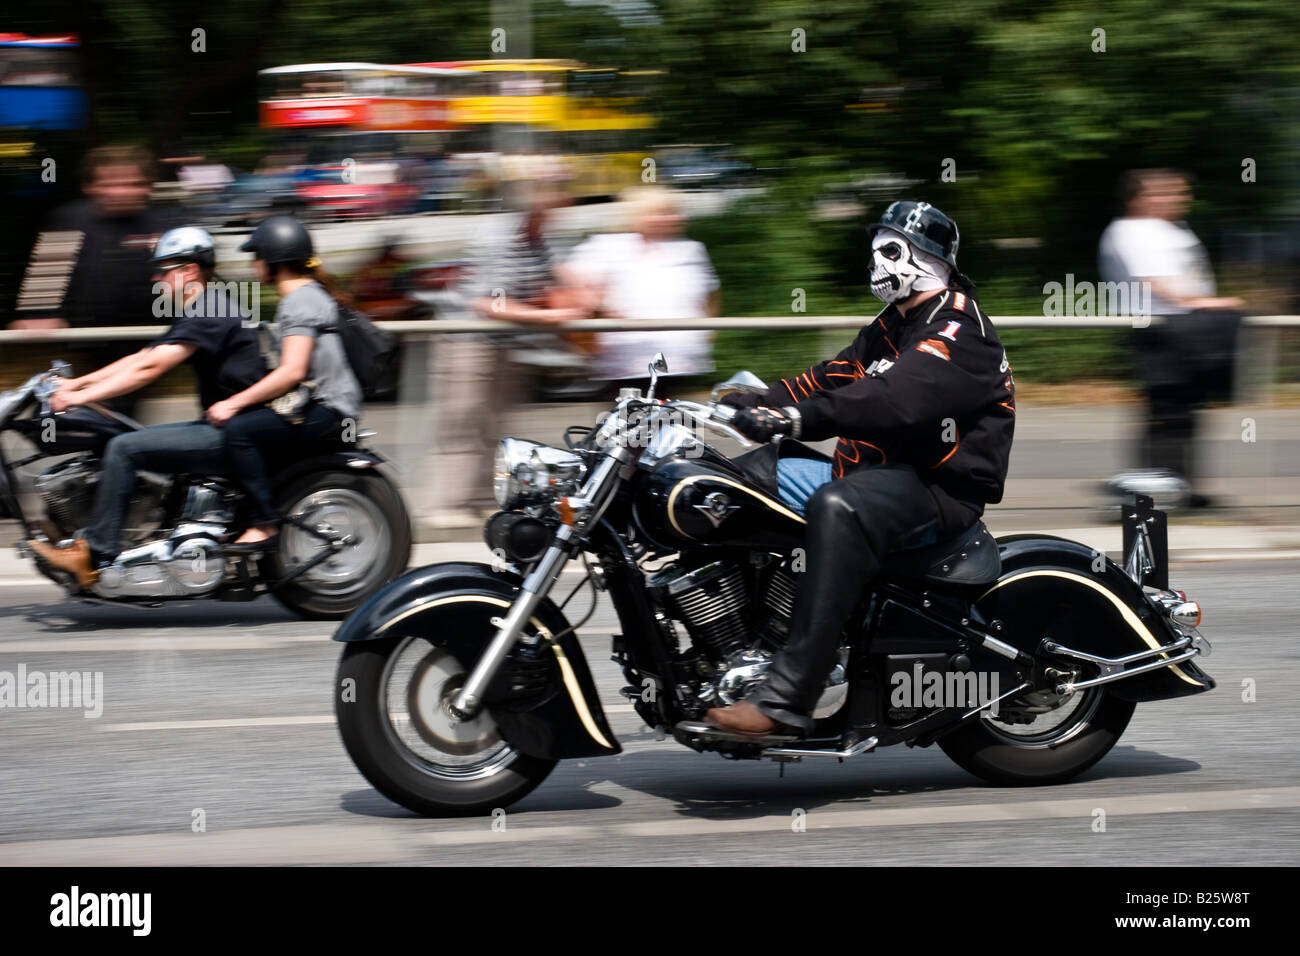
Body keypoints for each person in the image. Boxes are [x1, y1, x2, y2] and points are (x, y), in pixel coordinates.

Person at [703, 201, 1016, 737]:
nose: (878, 263)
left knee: (836, 506)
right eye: (875, 251)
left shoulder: (959, 326)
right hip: (873, 476)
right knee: (727, 483)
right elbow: (831, 376)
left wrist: (794, 420)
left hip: (936, 488)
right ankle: (740, 639)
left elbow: (894, 400)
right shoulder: (892, 325)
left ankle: (789, 696)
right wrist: (754, 399)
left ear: (928, 257)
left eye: (890, 251)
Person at [27, 226, 266, 587]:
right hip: (226, 427)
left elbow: (150, 370)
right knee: (125, 434)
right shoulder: (204, 306)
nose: (157, 278)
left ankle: (94, 553)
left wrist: (78, 399)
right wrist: (76, 383)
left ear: (189, 271)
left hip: (234, 432)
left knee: (123, 448)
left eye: (164, 269)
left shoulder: (211, 309)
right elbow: (143, 357)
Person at [428, 178, 587, 528]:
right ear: (533, 208)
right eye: (553, 208)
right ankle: (449, 505)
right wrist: (545, 316)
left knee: (495, 424)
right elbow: (488, 301)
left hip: (506, 343)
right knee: (464, 420)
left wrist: (580, 297)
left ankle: (485, 498)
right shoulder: (499, 237)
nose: (558, 215)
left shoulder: (539, 239)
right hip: (468, 340)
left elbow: (557, 280)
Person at [204, 215, 361, 551]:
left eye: (256, 257)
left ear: (273, 261)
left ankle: (264, 524)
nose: (253, 265)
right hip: (325, 403)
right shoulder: (309, 295)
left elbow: (292, 371)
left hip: (328, 408)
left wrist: (233, 403)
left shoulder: (300, 301)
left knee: (240, 431)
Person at [1097, 169, 1245, 507]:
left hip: (1186, 326)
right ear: (1141, 197)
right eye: (1167, 193)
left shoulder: (1168, 229)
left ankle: (1176, 487)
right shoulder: (1132, 230)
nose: (1179, 199)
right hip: (1162, 330)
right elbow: (1153, 280)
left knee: (1185, 413)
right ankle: (1150, 492)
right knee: (1166, 413)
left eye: (1180, 193)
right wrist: (1202, 302)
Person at [12, 145, 179, 416]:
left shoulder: (165, 223)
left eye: (134, 184)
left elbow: (192, 277)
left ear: (148, 187)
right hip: (88, 340)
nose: (122, 192)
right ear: (90, 187)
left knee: (123, 412)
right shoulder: (70, 219)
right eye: (111, 184)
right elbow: (47, 274)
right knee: (89, 412)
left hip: (145, 341)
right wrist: (39, 312)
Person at [560, 185, 720, 387]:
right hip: (627, 364)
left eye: (674, 212)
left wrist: (703, 334)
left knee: (676, 417)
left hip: (683, 363)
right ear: (638, 215)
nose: (672, 218)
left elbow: (711, 295)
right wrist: (600, 308)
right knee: (634, 417)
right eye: (662, 213)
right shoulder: (608, 246)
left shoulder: (691, 249)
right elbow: (570, 283)